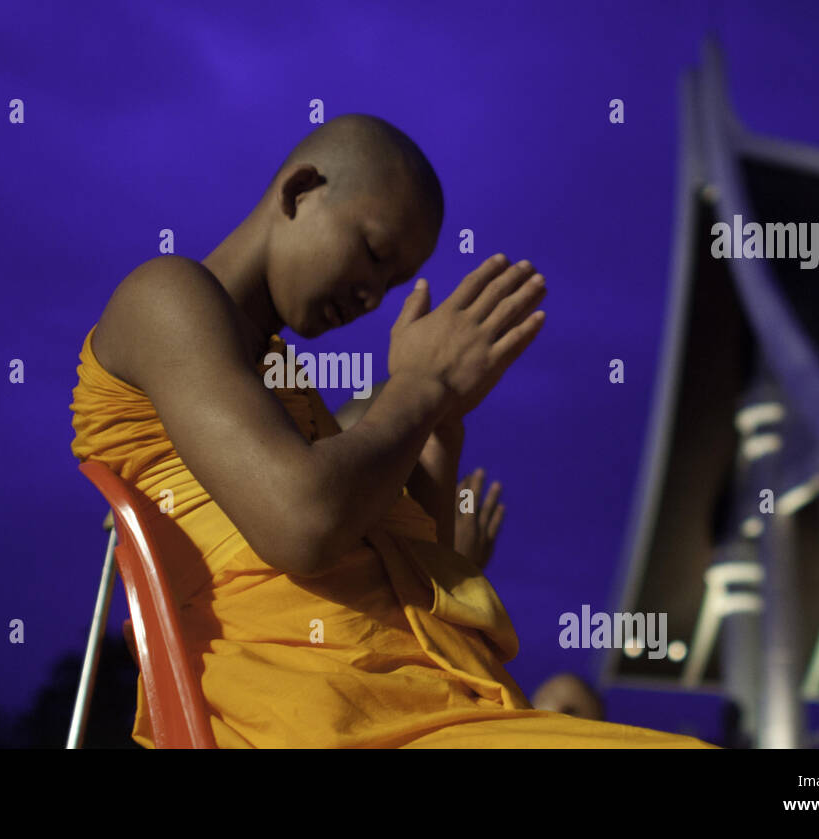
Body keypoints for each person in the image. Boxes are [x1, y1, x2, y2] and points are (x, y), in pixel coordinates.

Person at [70, 113, 713, 748]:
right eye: (373, 252)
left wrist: (440, 414)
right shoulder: (165, 293)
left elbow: (409, 563)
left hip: (409, 703)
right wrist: (420, 388)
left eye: (392, 281)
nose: (372, 296)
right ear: (300, 192)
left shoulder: (294, 397)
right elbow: (304, 523)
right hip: (308, 716)